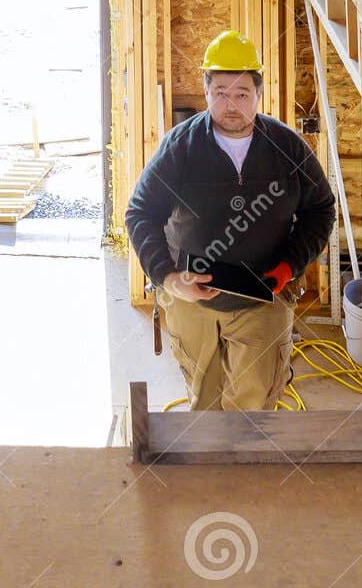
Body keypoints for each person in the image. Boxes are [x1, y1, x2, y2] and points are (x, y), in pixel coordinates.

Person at [124, 30, 336, 411]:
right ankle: (211, 469)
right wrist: (169, 279)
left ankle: (246, 470)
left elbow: (320, 210)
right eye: (220, 92)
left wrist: (289, 266)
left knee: (254, 408)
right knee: (204, 404)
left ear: (258, 94)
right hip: (192, 302)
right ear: (206, 91)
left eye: (241, 94)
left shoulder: (287, 148)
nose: (231, 104)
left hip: (264, 299)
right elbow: (140, 211)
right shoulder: (180, 147)